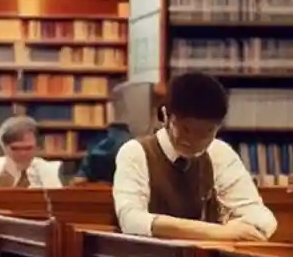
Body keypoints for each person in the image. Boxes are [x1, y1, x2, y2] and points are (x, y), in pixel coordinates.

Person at [112, 71, 276, 241]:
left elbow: (262, 218)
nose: (195, 141)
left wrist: (244, 226)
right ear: (166, 117)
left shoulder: (219, 153)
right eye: (185, 130)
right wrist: (219, 232)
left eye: (207, 132)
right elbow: (132, 221)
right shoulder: (136, 152)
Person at [0, 115, 64, 188]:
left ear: (37, 147)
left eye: (28, 148)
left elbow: (59, 207)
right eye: (15, 148)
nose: (22, 154)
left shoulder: (46, 169)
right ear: (4, 148)